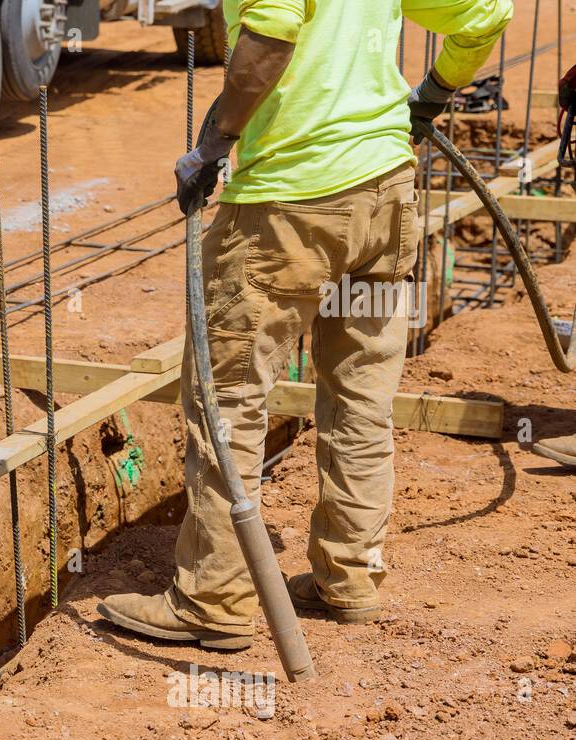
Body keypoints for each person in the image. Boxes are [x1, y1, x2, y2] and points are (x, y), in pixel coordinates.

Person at [99, 0, 513, 650]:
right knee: (362, 398)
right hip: (383, 195)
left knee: (226, 398)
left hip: (287, 204)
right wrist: (428, 97)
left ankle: (213, 599)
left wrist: (213, 145)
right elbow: (486, 13)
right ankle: (349, 579)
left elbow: (269, 38)